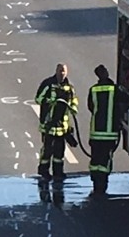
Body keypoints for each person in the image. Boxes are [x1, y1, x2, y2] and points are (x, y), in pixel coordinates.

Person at [35, 63, 78, 187]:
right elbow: (38, 98)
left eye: (64, 71)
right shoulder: (48, 84)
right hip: (48, 125)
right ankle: (43, 170)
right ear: (56, 71)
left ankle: (58, 172)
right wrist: (50, 102)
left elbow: (74, 100)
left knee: (60, 151)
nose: (62, 73)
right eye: (60, 71)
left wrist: (73, 108)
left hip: (62, 127)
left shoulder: (69, 87)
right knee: (47, 150)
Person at [86, 65, 124, 197]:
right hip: (109, 133)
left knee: (95, 159)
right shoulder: (115, 89)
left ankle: (96, 183)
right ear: (106, 73)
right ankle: (102, 184)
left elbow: (91, 107)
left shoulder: (93, 90)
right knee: (105, 160)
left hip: (96, 132)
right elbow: (126, 100)